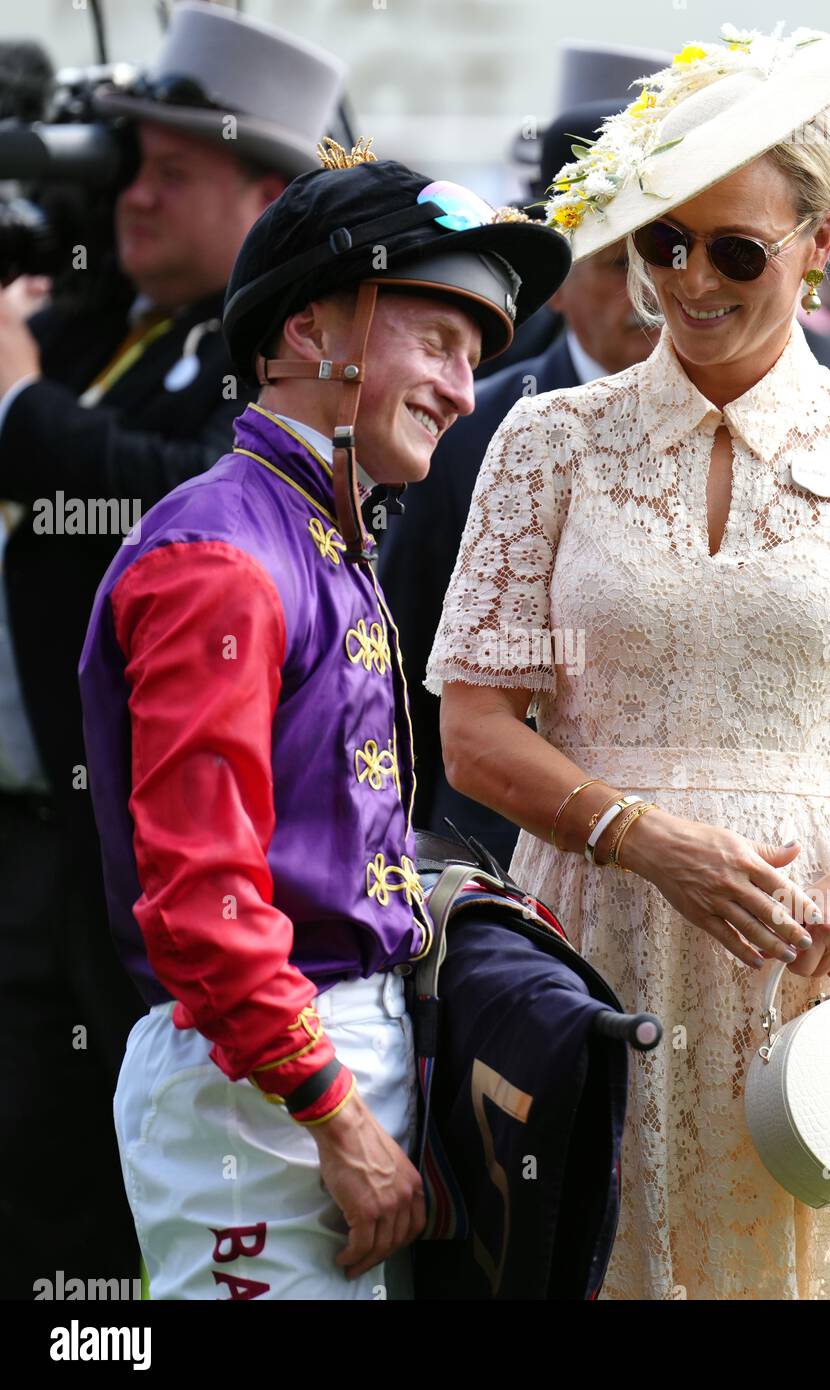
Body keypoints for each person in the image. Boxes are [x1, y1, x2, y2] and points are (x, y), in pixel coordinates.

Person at [423, 13, 830, 1300]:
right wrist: (636, 835)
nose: (690, 279)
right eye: (663, 242)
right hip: (583, 936)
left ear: (815, 247)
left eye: (735, 248)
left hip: (815, 951)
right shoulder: (545, 441)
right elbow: (469, 725)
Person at [77, 139, 570, 1299]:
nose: (462, 385)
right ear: (309, 333)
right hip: (256, 1088)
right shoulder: (223, 552)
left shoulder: (318, 529)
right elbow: (202, 901)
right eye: (437, 339)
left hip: (316, 1060)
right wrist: (337, 1121)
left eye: (474, 354)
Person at [0, 1, 345, 1297]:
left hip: (142, 862)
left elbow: (189, 502)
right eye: (124, 165)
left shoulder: (270, 366)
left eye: (171, 173)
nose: (133, 197)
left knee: (107, 1193)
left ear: (268, 197)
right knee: (25, 1183)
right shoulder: (93, 321)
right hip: (29, 842)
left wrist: (19, 403)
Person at [378, 98, 660, 864]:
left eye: (658, 256)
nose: (645, 293)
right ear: (558, 284)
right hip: (498, 860)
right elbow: (403, 659)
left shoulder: (745, 424)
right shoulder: (468, 428)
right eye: (614, 264)